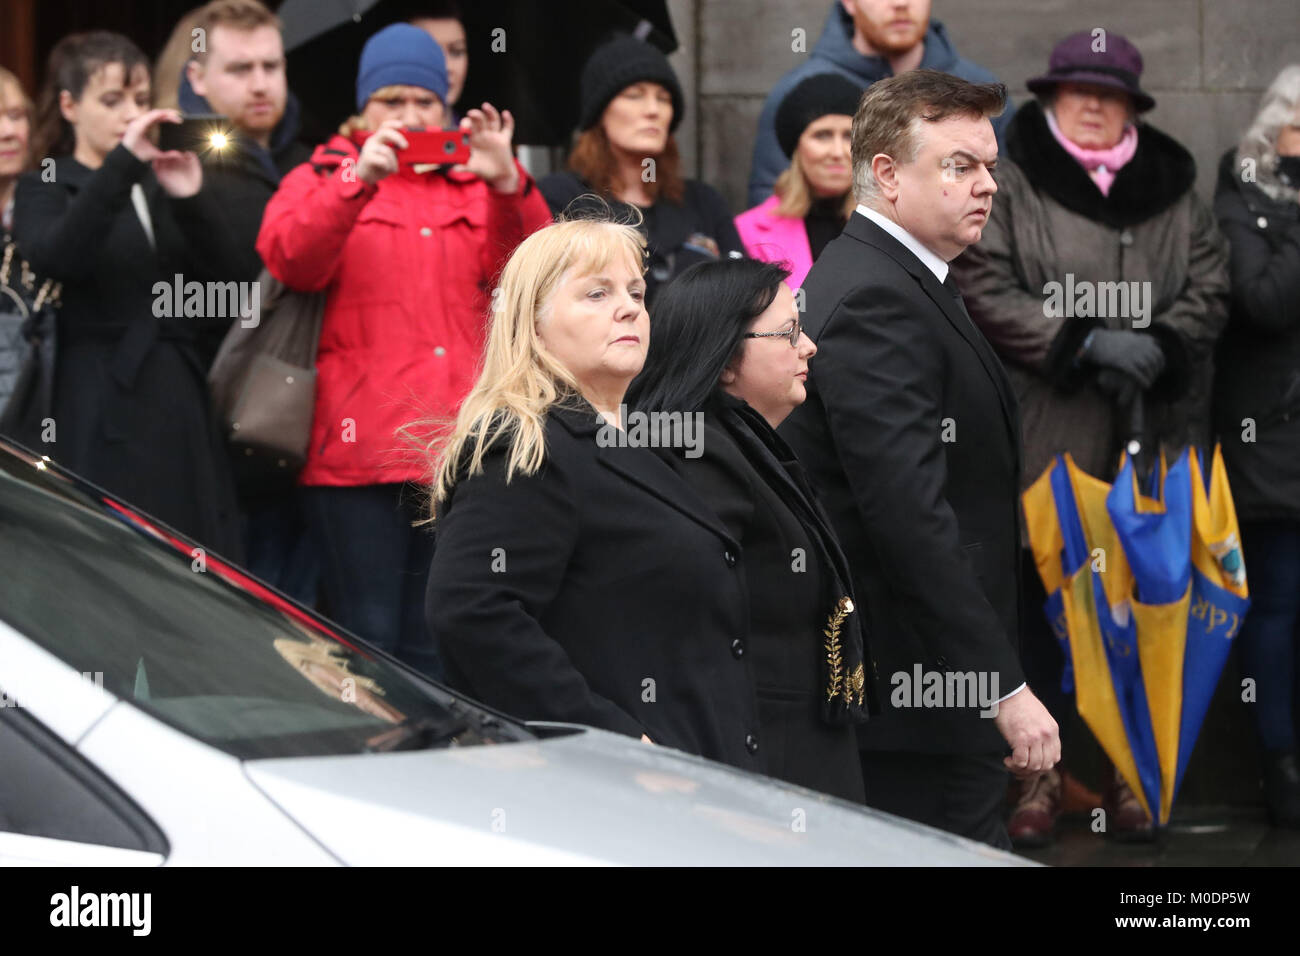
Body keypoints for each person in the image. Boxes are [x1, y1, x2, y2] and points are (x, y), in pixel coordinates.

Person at [950, 31, 1230, 844]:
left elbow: (1212, 284)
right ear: (1050, 97)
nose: (1094, 105)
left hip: (1154, 435)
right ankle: (1039, 783)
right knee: (1046, 607)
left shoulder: (1175, 184)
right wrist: (1079, 342)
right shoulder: (1013, 178)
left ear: (1133, 106)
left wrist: (1163, 346)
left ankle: (1130, 777)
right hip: (1047, 432)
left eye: (1111, 94)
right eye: (1078, 90)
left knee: (1143, 604)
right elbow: (982, 277)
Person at [779, 70, 1059, 850]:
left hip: (923, 692)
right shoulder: (877, 294)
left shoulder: (901, 276)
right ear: (887, 175)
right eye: (960, 166)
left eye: (990, 166)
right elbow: (906, 514)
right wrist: (996, 684)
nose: (987, 185)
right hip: (917, 701)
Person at [256, 24, 551, 678]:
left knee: (440, 635)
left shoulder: (477, 179)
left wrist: (508, 183)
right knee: (366, 639)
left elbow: (533, 277)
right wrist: (358, 181)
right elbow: (292, 259)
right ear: (364, 109)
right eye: (392, 101)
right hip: (355, 455)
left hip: (457, 448)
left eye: (425, 101)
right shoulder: (324, 173)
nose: (411, 116)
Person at [425, 217, 766, 770]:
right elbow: (471, 611)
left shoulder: (633, 441)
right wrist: (614, 741)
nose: (631, 307)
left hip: (698, 778)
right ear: (532, 326)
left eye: (636, 292)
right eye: (597, 293)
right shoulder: (525, 442)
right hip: (620, 797)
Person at [626, 257, 877, 801]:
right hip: (763, 765)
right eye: (789, 333)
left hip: (796, 747)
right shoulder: (698, 456)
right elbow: (697, 626)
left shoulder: (743, 442)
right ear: (723, 361)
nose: (809, 346)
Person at [13, 31, 242, 556]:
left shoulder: (158, 181)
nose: (131, 115)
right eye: (112, 101)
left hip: (177, 398)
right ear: (69, 106)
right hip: (96, 401)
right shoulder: (45, 184)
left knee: (192, 557)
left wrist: (192, 202)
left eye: (140, 101)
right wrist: (121, 164)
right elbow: (58, 256)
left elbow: (233, 292)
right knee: (112, 555)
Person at [179, 0, 316, 605]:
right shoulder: (175, 162)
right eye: (239, 69)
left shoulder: (318, 161)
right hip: (220, 432)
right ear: (197, 78)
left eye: (271, 65)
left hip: (321, 435)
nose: (260, 83)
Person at [1213, 64, 1300, 829]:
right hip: (1272, 436)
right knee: (1278, 601)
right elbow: (1264, 301)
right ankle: (1282, 767)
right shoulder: (1244, 192)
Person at [539, 33, 744, 307]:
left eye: (663, 98)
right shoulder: (562, 198)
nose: (653, 110)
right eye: (634, 95)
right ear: (599, 112)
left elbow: (745, 291)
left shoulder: (702, 201)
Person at [748, 0, 1012, 208]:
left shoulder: (978, 89)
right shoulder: (800, 90)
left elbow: (1007, 200)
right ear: (849, 2)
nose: (900, 3)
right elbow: (772, 208)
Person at [734, 73, 859, 289]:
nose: (838, 152)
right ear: (797, 148)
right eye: (823, 135)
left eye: (849, 136)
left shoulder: (890, 226)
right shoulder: (749, 232)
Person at [406, 0, 468, 121]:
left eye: (456, 52)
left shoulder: (478, 137)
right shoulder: (373, 138)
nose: (446, 67)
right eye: (429, 52)